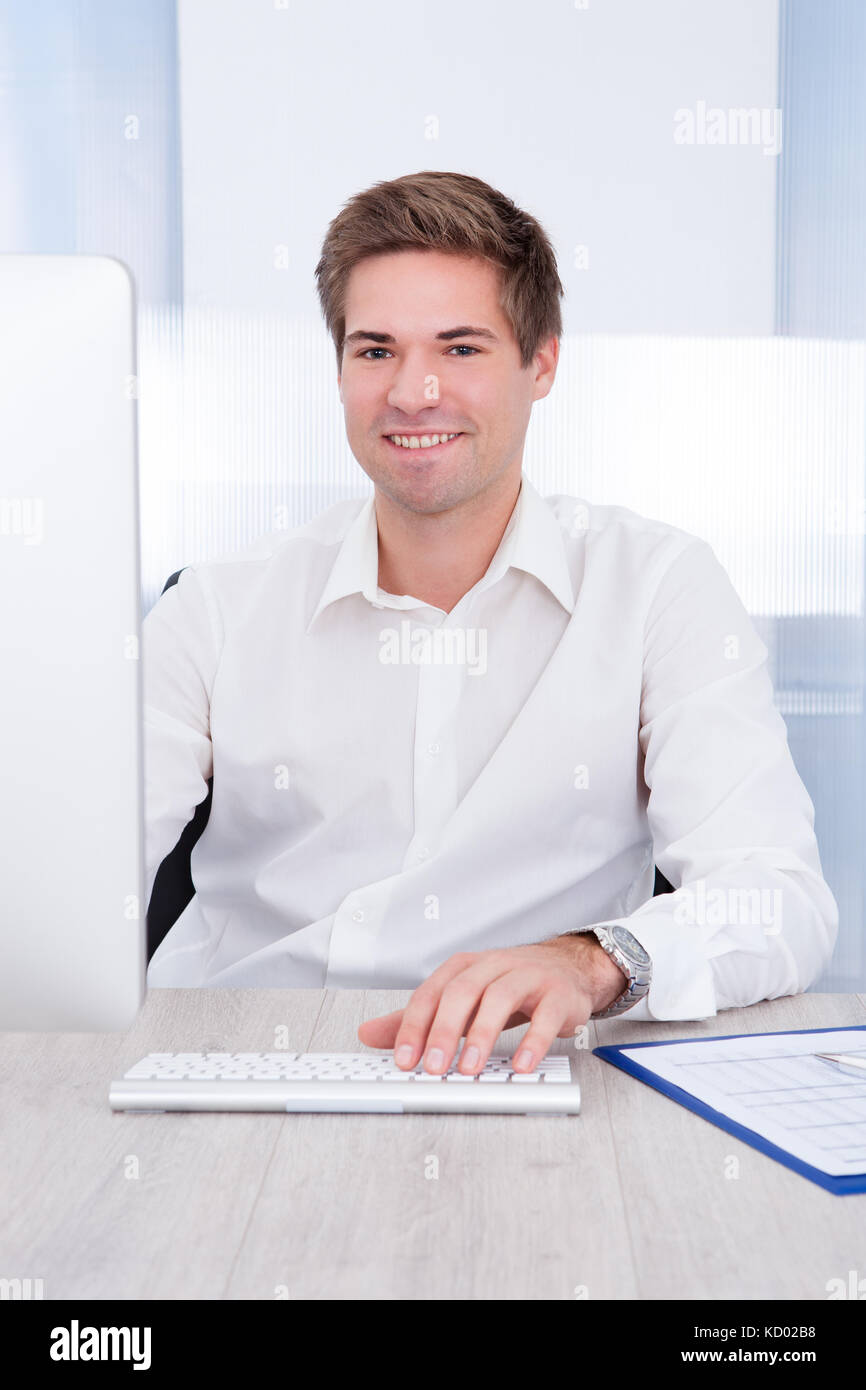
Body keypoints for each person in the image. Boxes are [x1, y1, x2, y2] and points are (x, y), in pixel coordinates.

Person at [143, 169, 838, 1078]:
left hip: (525, 1068)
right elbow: (67, 883)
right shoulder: (216, 606)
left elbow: (778, 898)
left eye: (461, 349)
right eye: (375, 349)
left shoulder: (656, 587)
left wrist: (594, 960)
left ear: (541, 362)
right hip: (230, 1061)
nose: (413, 391)